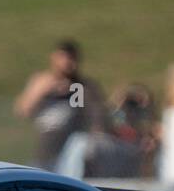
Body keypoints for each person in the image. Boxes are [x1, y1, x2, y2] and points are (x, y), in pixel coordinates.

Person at [14, 40, 106, 169]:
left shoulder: (82, 86)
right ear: (54, 58)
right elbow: (22, 111)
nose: (67, 63)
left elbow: (96, 117)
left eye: (72, 59)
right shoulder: (41, 81)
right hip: (43, 150)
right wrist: (43, 90)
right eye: (63, 58)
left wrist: (79, 91)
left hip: (71, 153)